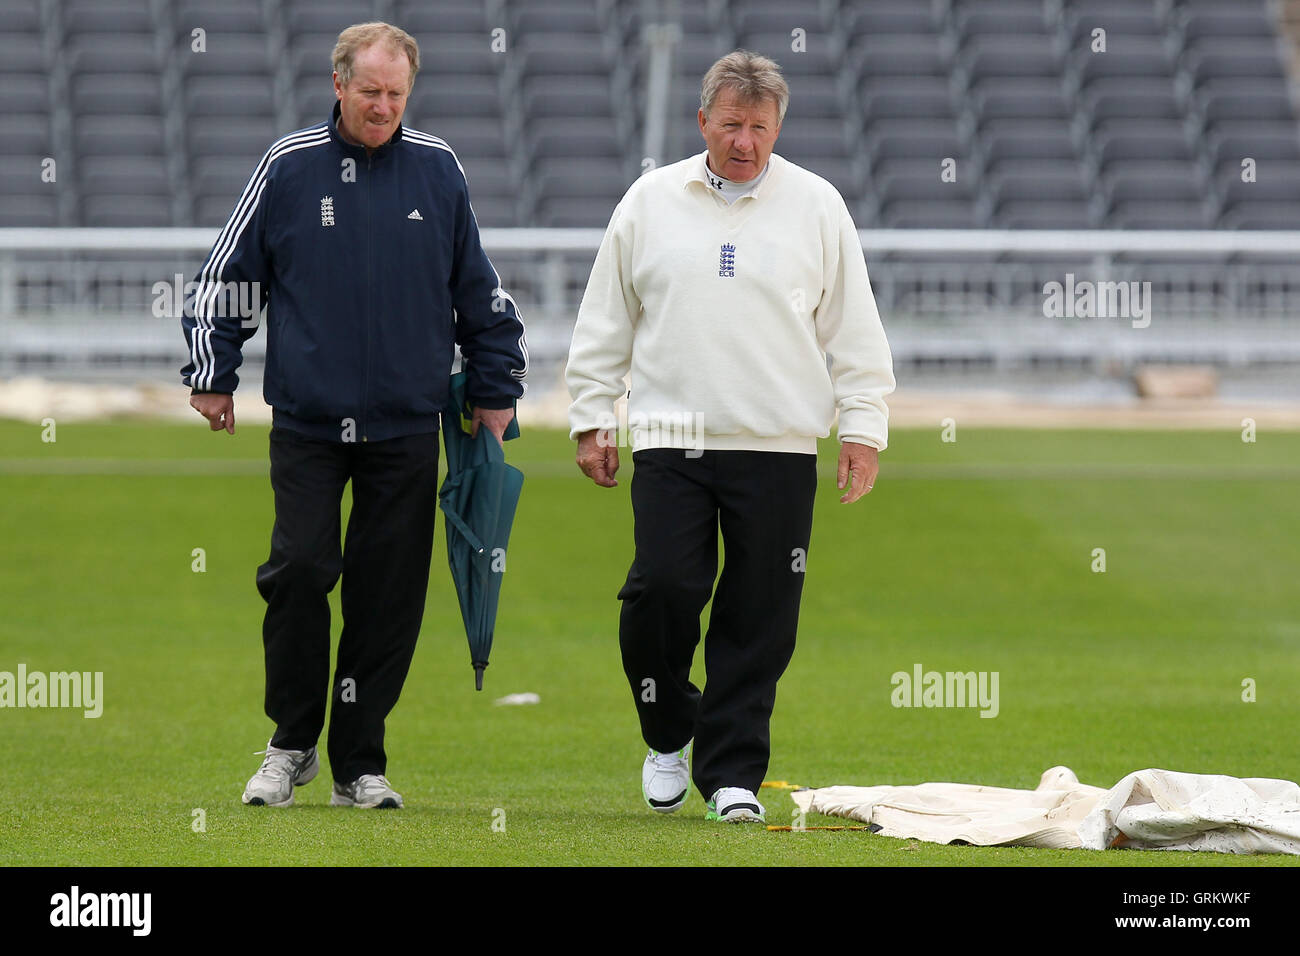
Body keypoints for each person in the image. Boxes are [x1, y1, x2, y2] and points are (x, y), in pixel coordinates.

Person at [181, 22, 527, 809]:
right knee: (300, 571)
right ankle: (290, 743)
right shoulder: (288, 166)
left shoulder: (438, 171)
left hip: (405, 425)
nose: (383, 106)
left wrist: (496, 385)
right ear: (338, 84)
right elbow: (224, 279)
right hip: (308, 420)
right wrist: (213, 371)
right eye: (369, 91)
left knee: (387, 594)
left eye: (396, 94)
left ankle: (359, 763)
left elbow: (480, 288)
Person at [565, 50, 894, 823]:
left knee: (759, 613)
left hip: (778, 441)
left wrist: (862, 426)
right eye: (731, 124)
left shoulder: (817, 206)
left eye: (760, 127)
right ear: (703, 121)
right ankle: (665, 732)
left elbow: (854, 327)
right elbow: (604, 320)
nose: (744, 141)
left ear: (777, 127)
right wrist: (591, 416)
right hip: (671, 436)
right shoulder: (649, 202)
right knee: (663, 590)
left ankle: (733, 774)